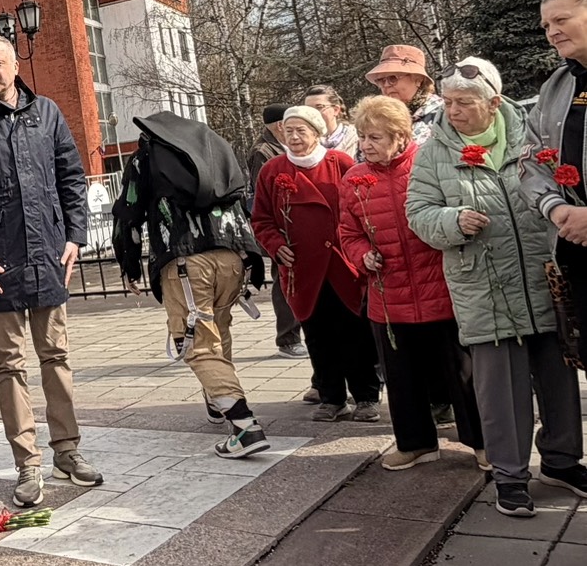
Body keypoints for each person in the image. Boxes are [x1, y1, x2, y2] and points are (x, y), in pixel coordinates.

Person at [407, 56, 587, 517]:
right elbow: (418, 212)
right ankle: (510, 475)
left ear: (493, 102)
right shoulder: (434, 152)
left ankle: (562, 462)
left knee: (558, 377)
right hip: (483, 285)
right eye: (448, 102)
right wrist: (452, 220)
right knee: (500, 391)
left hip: (544, 277)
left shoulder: (531, 137)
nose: (453, 111)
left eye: (464, 102)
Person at [0, 34, 101, 507]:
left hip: (48, 255)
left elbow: (71, 178)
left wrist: (74, 236)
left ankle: (67, 451)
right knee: (9, 364)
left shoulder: (46, 113)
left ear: (14, 66)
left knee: (57, 355)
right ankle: (27, 463)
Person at [338, 95, 485, 472]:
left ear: (401, 137)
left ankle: (483, 444)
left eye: (375, 137)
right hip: (390, 296)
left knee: (464, 375)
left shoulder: (429, 164)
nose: (365, 145)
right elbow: (348, 232)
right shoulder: (354, 179)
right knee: (401, 376)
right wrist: (362, 256)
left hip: (442, 289)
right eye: (362, 137)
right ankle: (416, 444)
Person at [112, 112, 270, 459]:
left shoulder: (147, 157)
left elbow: (128, 213)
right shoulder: (215, 146)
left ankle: (243, 425)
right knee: (218, 331)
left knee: (197, 344)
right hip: (233, 256)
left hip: (185, 260)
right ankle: (218, 401)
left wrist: (129, 265)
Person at [252, 106, 380, 422]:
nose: (294, 137)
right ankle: (331, 398)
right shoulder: (272, 170)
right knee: (317, 335)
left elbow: (362, 209)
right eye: (289, 131)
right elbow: (261, 219)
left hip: (343, 265)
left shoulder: (341, 163)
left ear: (317, 132)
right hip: (303, 268)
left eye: (302, 130)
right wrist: (275, 245)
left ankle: (366, 396)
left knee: (355, 333)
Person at [521, 0, 587, 356]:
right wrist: (556, 208)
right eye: (546, 25)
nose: (551, 32)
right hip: (576, 250)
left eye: (561, 20)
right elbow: (529, 156)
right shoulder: (557, 86)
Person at [248, 104, 307, 363]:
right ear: (280, 125)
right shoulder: (263, 151)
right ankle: (288, 338)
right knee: (284, 283)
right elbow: (264, 193)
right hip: (279, 228)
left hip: (296, 224)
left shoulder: (284, 148)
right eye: (289, 126)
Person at [366, 45, 444, 146]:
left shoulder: (443, 115)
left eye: (392, 78)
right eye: (381, 80)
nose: (386, 85)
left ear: (418, 79)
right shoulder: (379, 118)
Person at [302, 85, 359, 158]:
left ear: (336, 110)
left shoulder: (355, 138)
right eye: (308, 108)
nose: (313, 112)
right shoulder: (302, 139)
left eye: (319, 107)